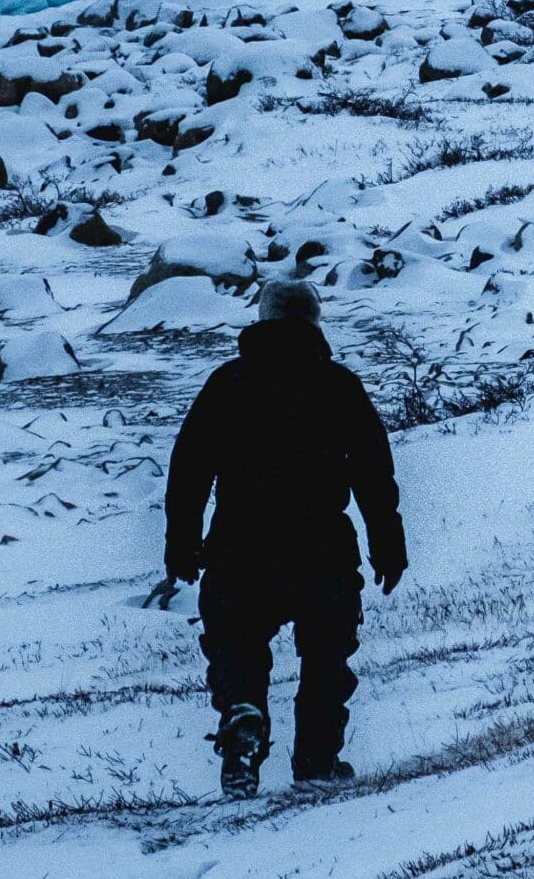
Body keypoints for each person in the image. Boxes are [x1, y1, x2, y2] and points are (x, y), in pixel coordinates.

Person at [163, 278, 407, 799]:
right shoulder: (339, 386)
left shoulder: (227, 383)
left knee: (236, 650)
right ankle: (317, 759)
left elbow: (189, 470)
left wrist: (181, 543)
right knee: (325, 660)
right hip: (322, 554)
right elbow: (373, 473)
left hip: (238, 553)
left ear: (262, 319)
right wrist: (388, 544)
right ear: (315, 323)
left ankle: (243, 717)